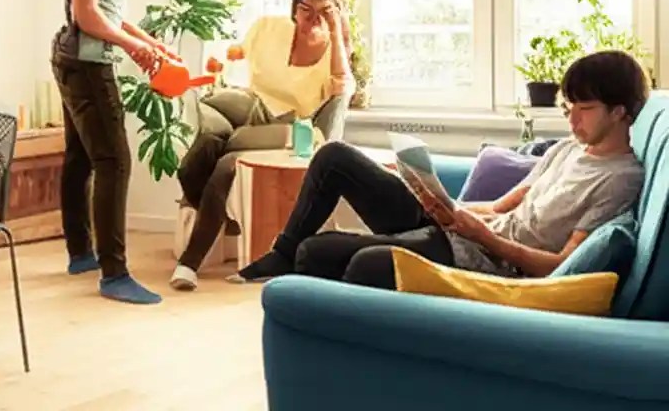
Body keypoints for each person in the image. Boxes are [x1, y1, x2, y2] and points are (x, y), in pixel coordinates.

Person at [234, 49, 647, 288]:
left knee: (318, 253)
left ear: (620, 112)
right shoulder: (567, 149)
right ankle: (281, 254)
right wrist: (445, 206)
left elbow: (559, 266)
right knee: (335, 157)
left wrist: (480, 234)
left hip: (486, 260)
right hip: (462, 232)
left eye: (584, 109)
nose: (572, 119)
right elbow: (501, 207)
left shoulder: (620, 179)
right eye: (568, 107)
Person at [170, 0, 352, 290]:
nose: (313, 19)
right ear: (295, 8)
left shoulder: (335, 51)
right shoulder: (271, 28)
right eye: (306, 9)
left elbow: (342, 87)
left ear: (336, 12)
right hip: (255, 107)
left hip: (289, 128)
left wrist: (337, 32)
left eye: (325, 11)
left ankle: (189, 264)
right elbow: (240, 54)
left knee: (227, 164)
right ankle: (219, 214)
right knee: (205, 137)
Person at [50, 0, 179, 305]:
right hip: (85, 63)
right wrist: (131, 46)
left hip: (82, 57)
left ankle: (80, 254)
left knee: (81, 157)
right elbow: (85, 14)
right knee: (114, 161)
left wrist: (147, 42)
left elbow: (109, 11)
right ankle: (114, 273)